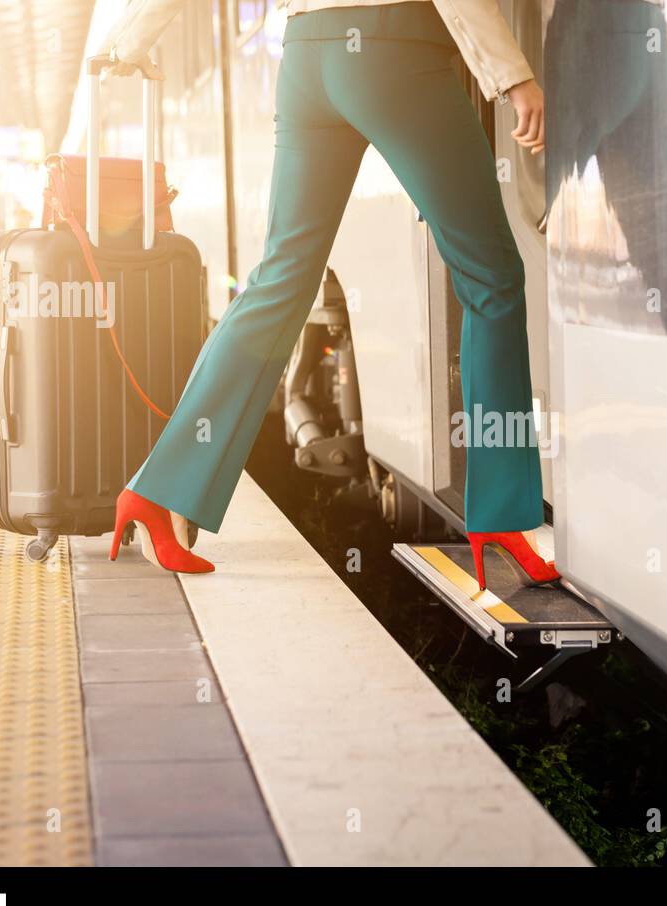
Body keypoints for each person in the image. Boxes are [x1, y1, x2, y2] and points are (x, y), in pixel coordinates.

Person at [101, 0, 558, 590]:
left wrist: (131, 36)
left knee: (277, 282)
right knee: (491, 279)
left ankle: (155, 491)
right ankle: (500, 513)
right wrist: (510, 75)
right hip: (391, 50)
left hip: (305, 58)